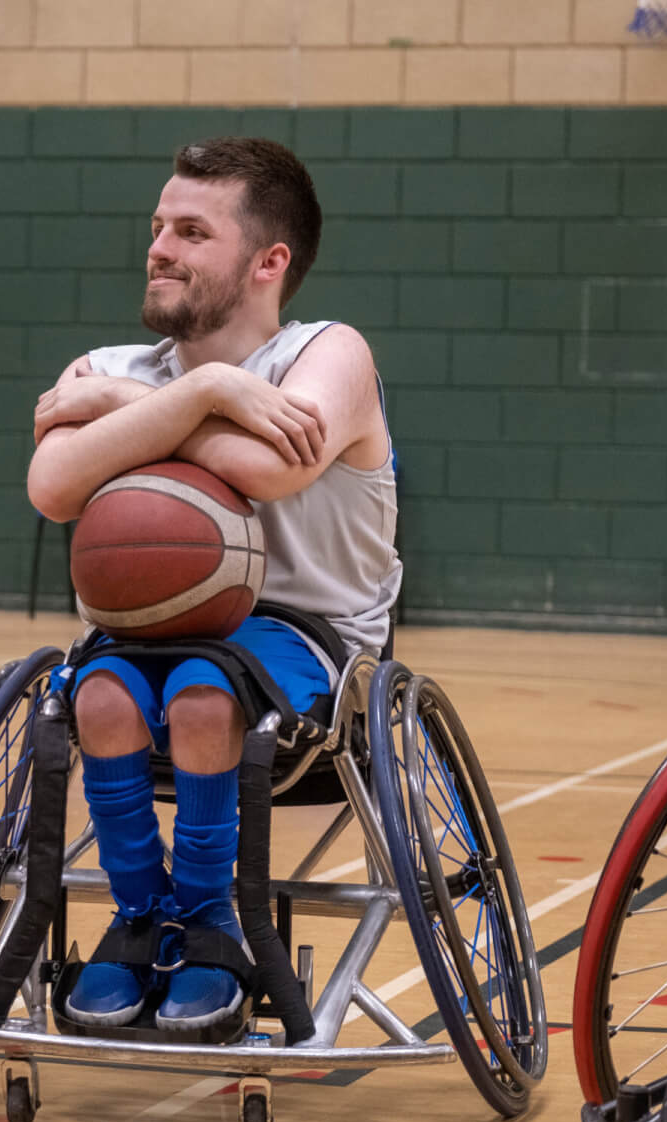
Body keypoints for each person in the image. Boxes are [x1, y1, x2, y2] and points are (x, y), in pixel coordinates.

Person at [27, 136, 401, 1033]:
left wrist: (138, 413)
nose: (159, 246)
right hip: (145, 627)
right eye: (159, 226)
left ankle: (208, 920)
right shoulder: (111, 362)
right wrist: (204, 397)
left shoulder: (330, 355)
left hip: (305, 637)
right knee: (102, 694)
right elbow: (52, 488)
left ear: (269, 262)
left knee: (204, 694)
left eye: (192, 231)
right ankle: (138, 915)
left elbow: (271, 472)